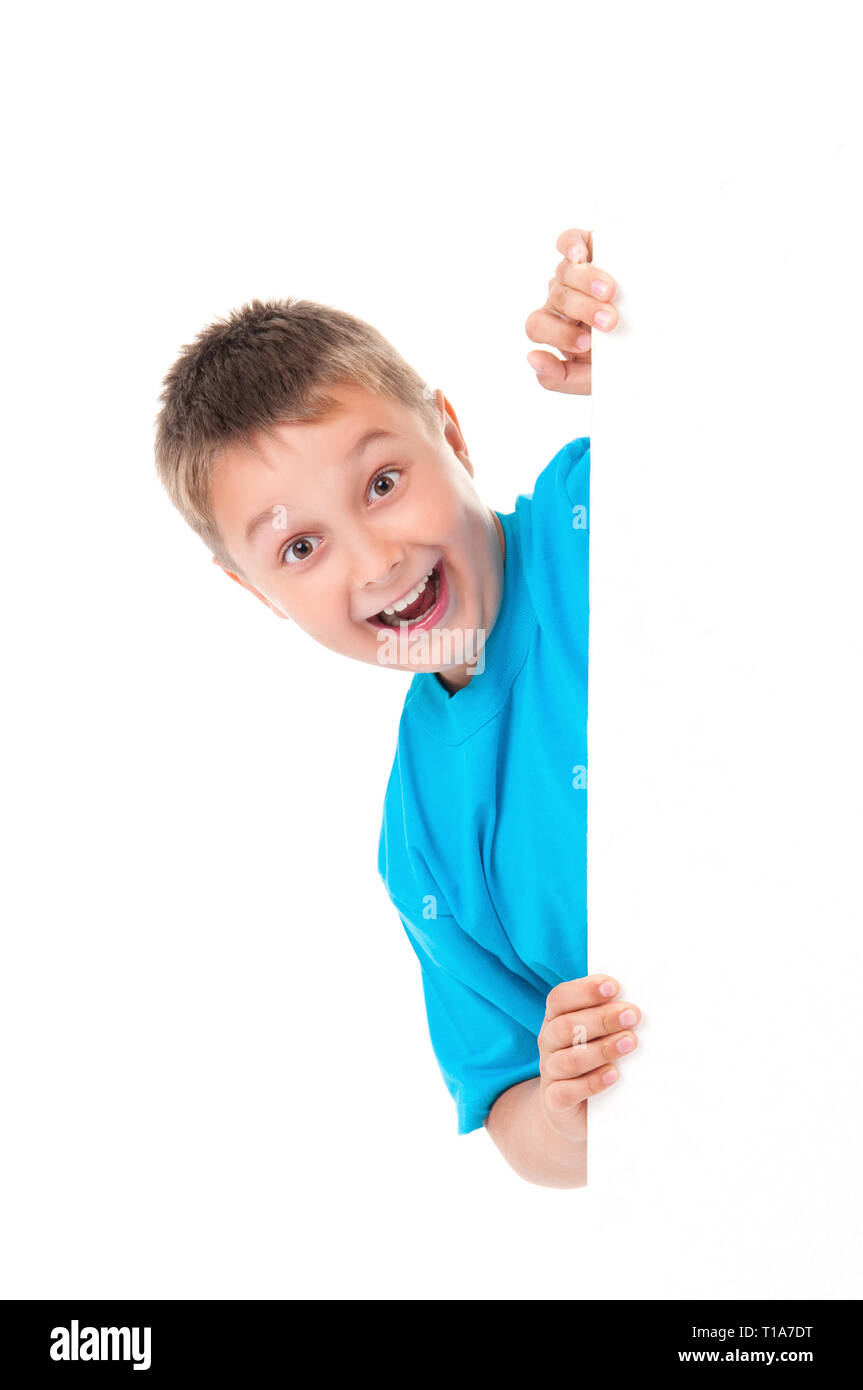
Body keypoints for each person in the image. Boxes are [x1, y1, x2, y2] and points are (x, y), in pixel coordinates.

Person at [153, 227, 642, 1188]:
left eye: (382, 484)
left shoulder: (602, 514)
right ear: (255, 591)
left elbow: (768, 452)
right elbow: (505, 1102)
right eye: (299, 549)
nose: (375, 562)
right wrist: (565, 1106)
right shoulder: (418, 837)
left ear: (450, 435)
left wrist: (647, 364)